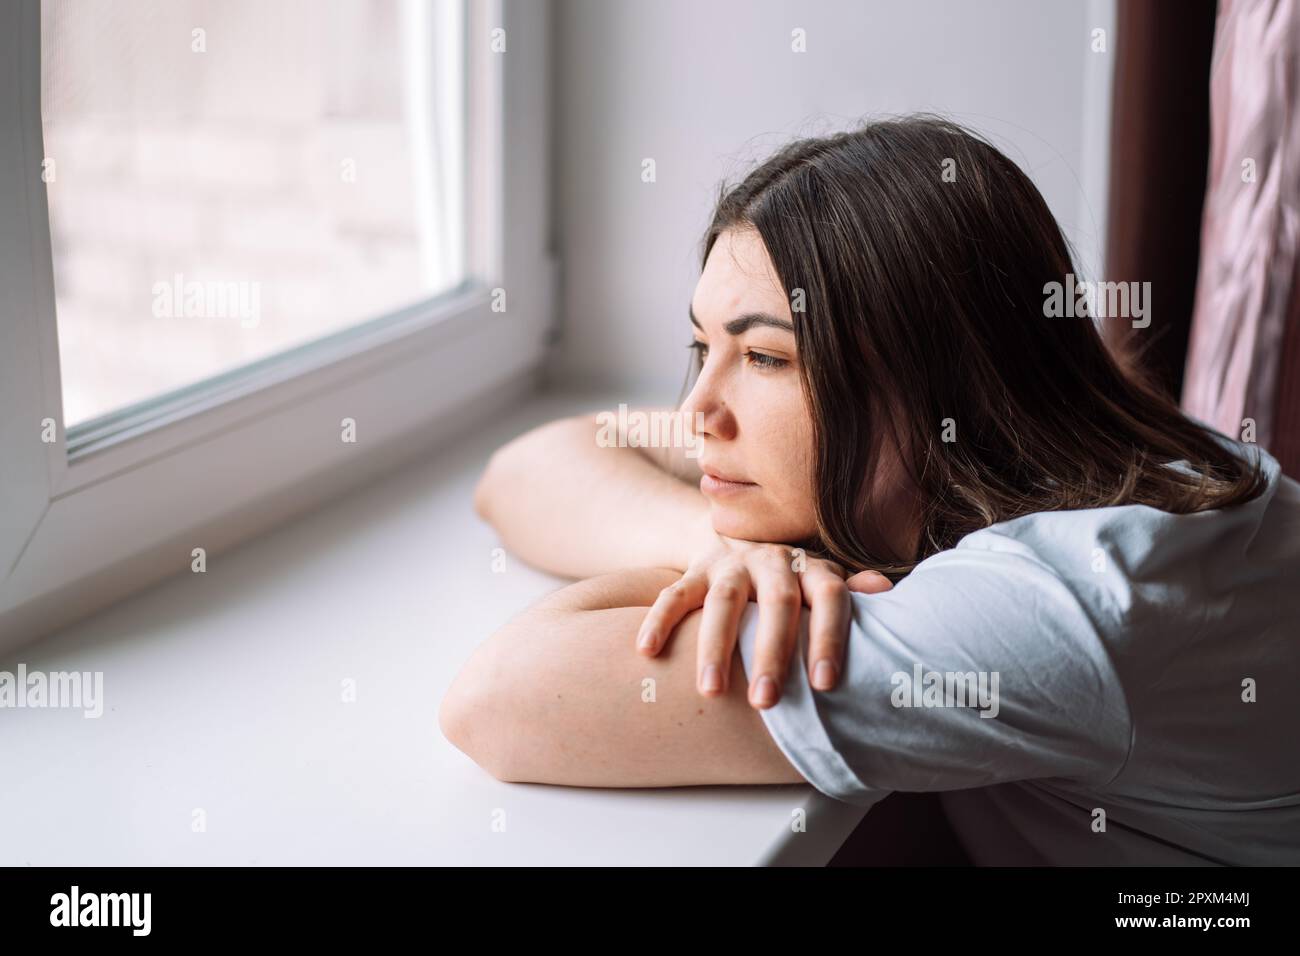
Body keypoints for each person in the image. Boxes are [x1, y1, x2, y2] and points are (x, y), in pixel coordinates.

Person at [441, 115, 1300, 865]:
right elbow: (533, 464)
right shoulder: (1139, 460)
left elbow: (499, 700)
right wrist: (725, 547)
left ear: (944, 389)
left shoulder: (1053, 608)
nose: (698, 409)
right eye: (705, 347)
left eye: (768, 357)